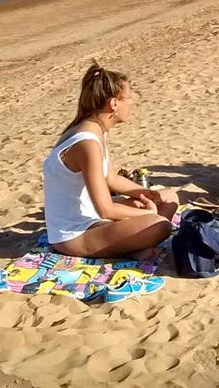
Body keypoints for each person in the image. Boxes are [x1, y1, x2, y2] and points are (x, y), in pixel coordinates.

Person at [44, 64, 179, 259]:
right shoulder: (87, 143)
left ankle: (132, 243)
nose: (131, 103)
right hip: (74, 234)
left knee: (169, 196)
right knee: (160, 225)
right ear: (114, 103)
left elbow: (111, 179)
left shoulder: (95, 130)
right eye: (128, 98)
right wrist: (150, 213)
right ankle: (133, 245)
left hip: (94, 219)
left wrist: (147, 194)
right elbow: (105, 209)